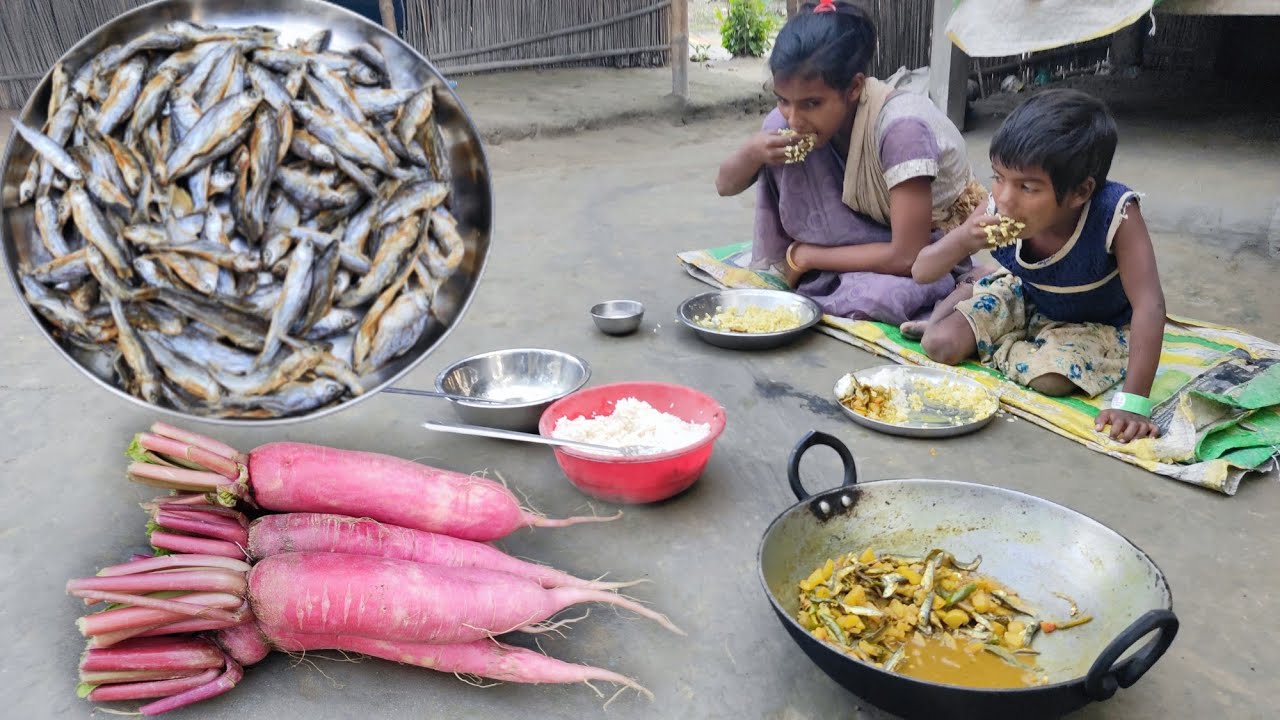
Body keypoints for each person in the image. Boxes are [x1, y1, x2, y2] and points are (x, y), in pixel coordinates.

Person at [908, 89, 1166, 443]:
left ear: (1079, 192)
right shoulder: (996, 206)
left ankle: (986, 319)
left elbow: (1149, 304)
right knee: (938, 344)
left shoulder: (1115, 215)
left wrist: (1133, 404)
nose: (1005, 198)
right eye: (998, 177)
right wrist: (965, 238)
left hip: (1094, 321)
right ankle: (973, 292)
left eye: (1027, 187)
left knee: (1050, 380)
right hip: (1026, 296)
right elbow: (921, 271)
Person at [715, 0, 987, 325]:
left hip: (923, 249)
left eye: (811, 103)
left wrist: (806, 256)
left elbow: (909, 256)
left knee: (884, 297)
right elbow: (724, 186)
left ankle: (819, 268)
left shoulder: (902, 130)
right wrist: (754, 151)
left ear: (855, 87)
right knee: (774, 128)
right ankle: (819, 267)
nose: (795, 118)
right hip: (860, 243)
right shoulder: (794, 121)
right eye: (783, 99)